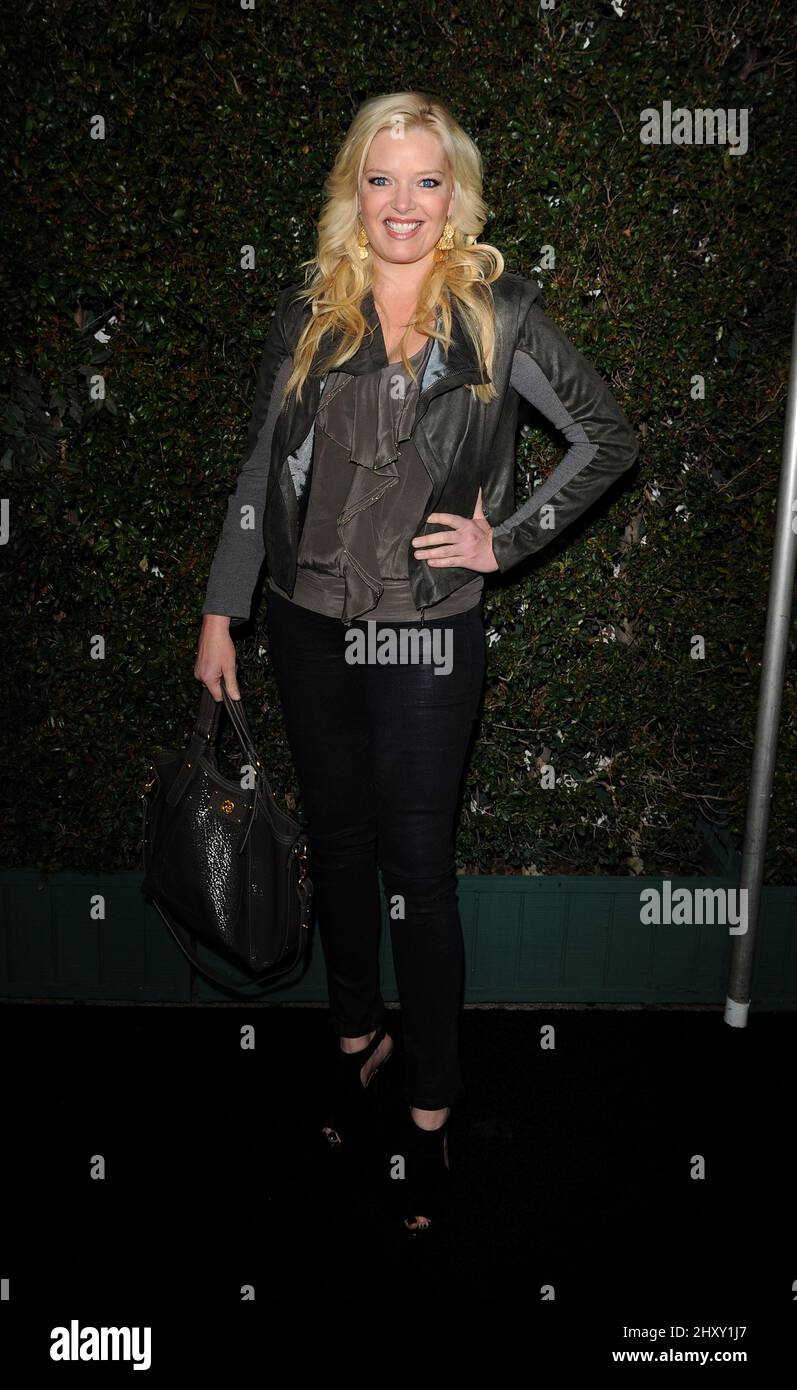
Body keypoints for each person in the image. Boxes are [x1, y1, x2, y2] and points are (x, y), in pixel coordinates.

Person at [194, 91, 638, 1236]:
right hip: (303, 620)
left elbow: (608, 437)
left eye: (426, 181)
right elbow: (257, 475)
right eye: (381, 179)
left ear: (456, 194)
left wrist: (510, 539)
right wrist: (219, 613)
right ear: (354, 189)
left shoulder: (497, 316)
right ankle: (356, 1040)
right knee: (337, 844)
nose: (402, 204)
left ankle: (431, 1102)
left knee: (417, 868)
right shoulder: (309, 313)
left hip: (427, 626)